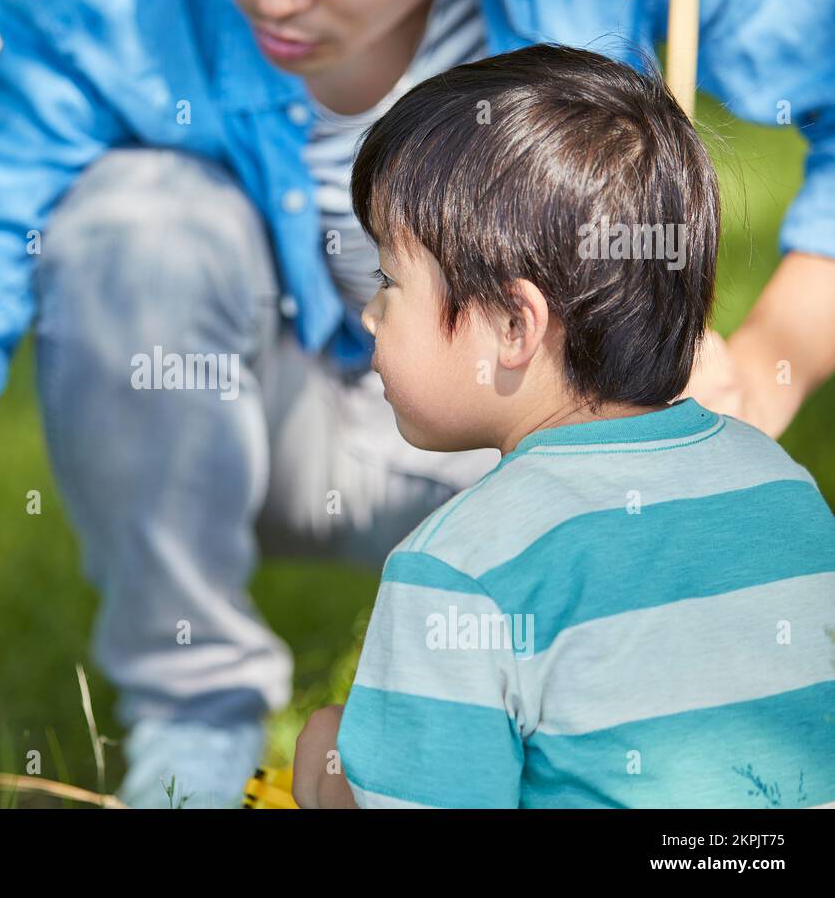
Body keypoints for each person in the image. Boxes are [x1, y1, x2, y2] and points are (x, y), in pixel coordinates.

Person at [0, 0, 835, 807]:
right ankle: (190, 717)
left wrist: (768, 360)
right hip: (268, 433)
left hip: (570, 443)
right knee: (129, 220)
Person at [291, 44, 835, 809]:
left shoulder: (460, 569)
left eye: (389, 280)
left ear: (515, 323)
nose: (369, 313)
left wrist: (327, 771)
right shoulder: (789, 496)